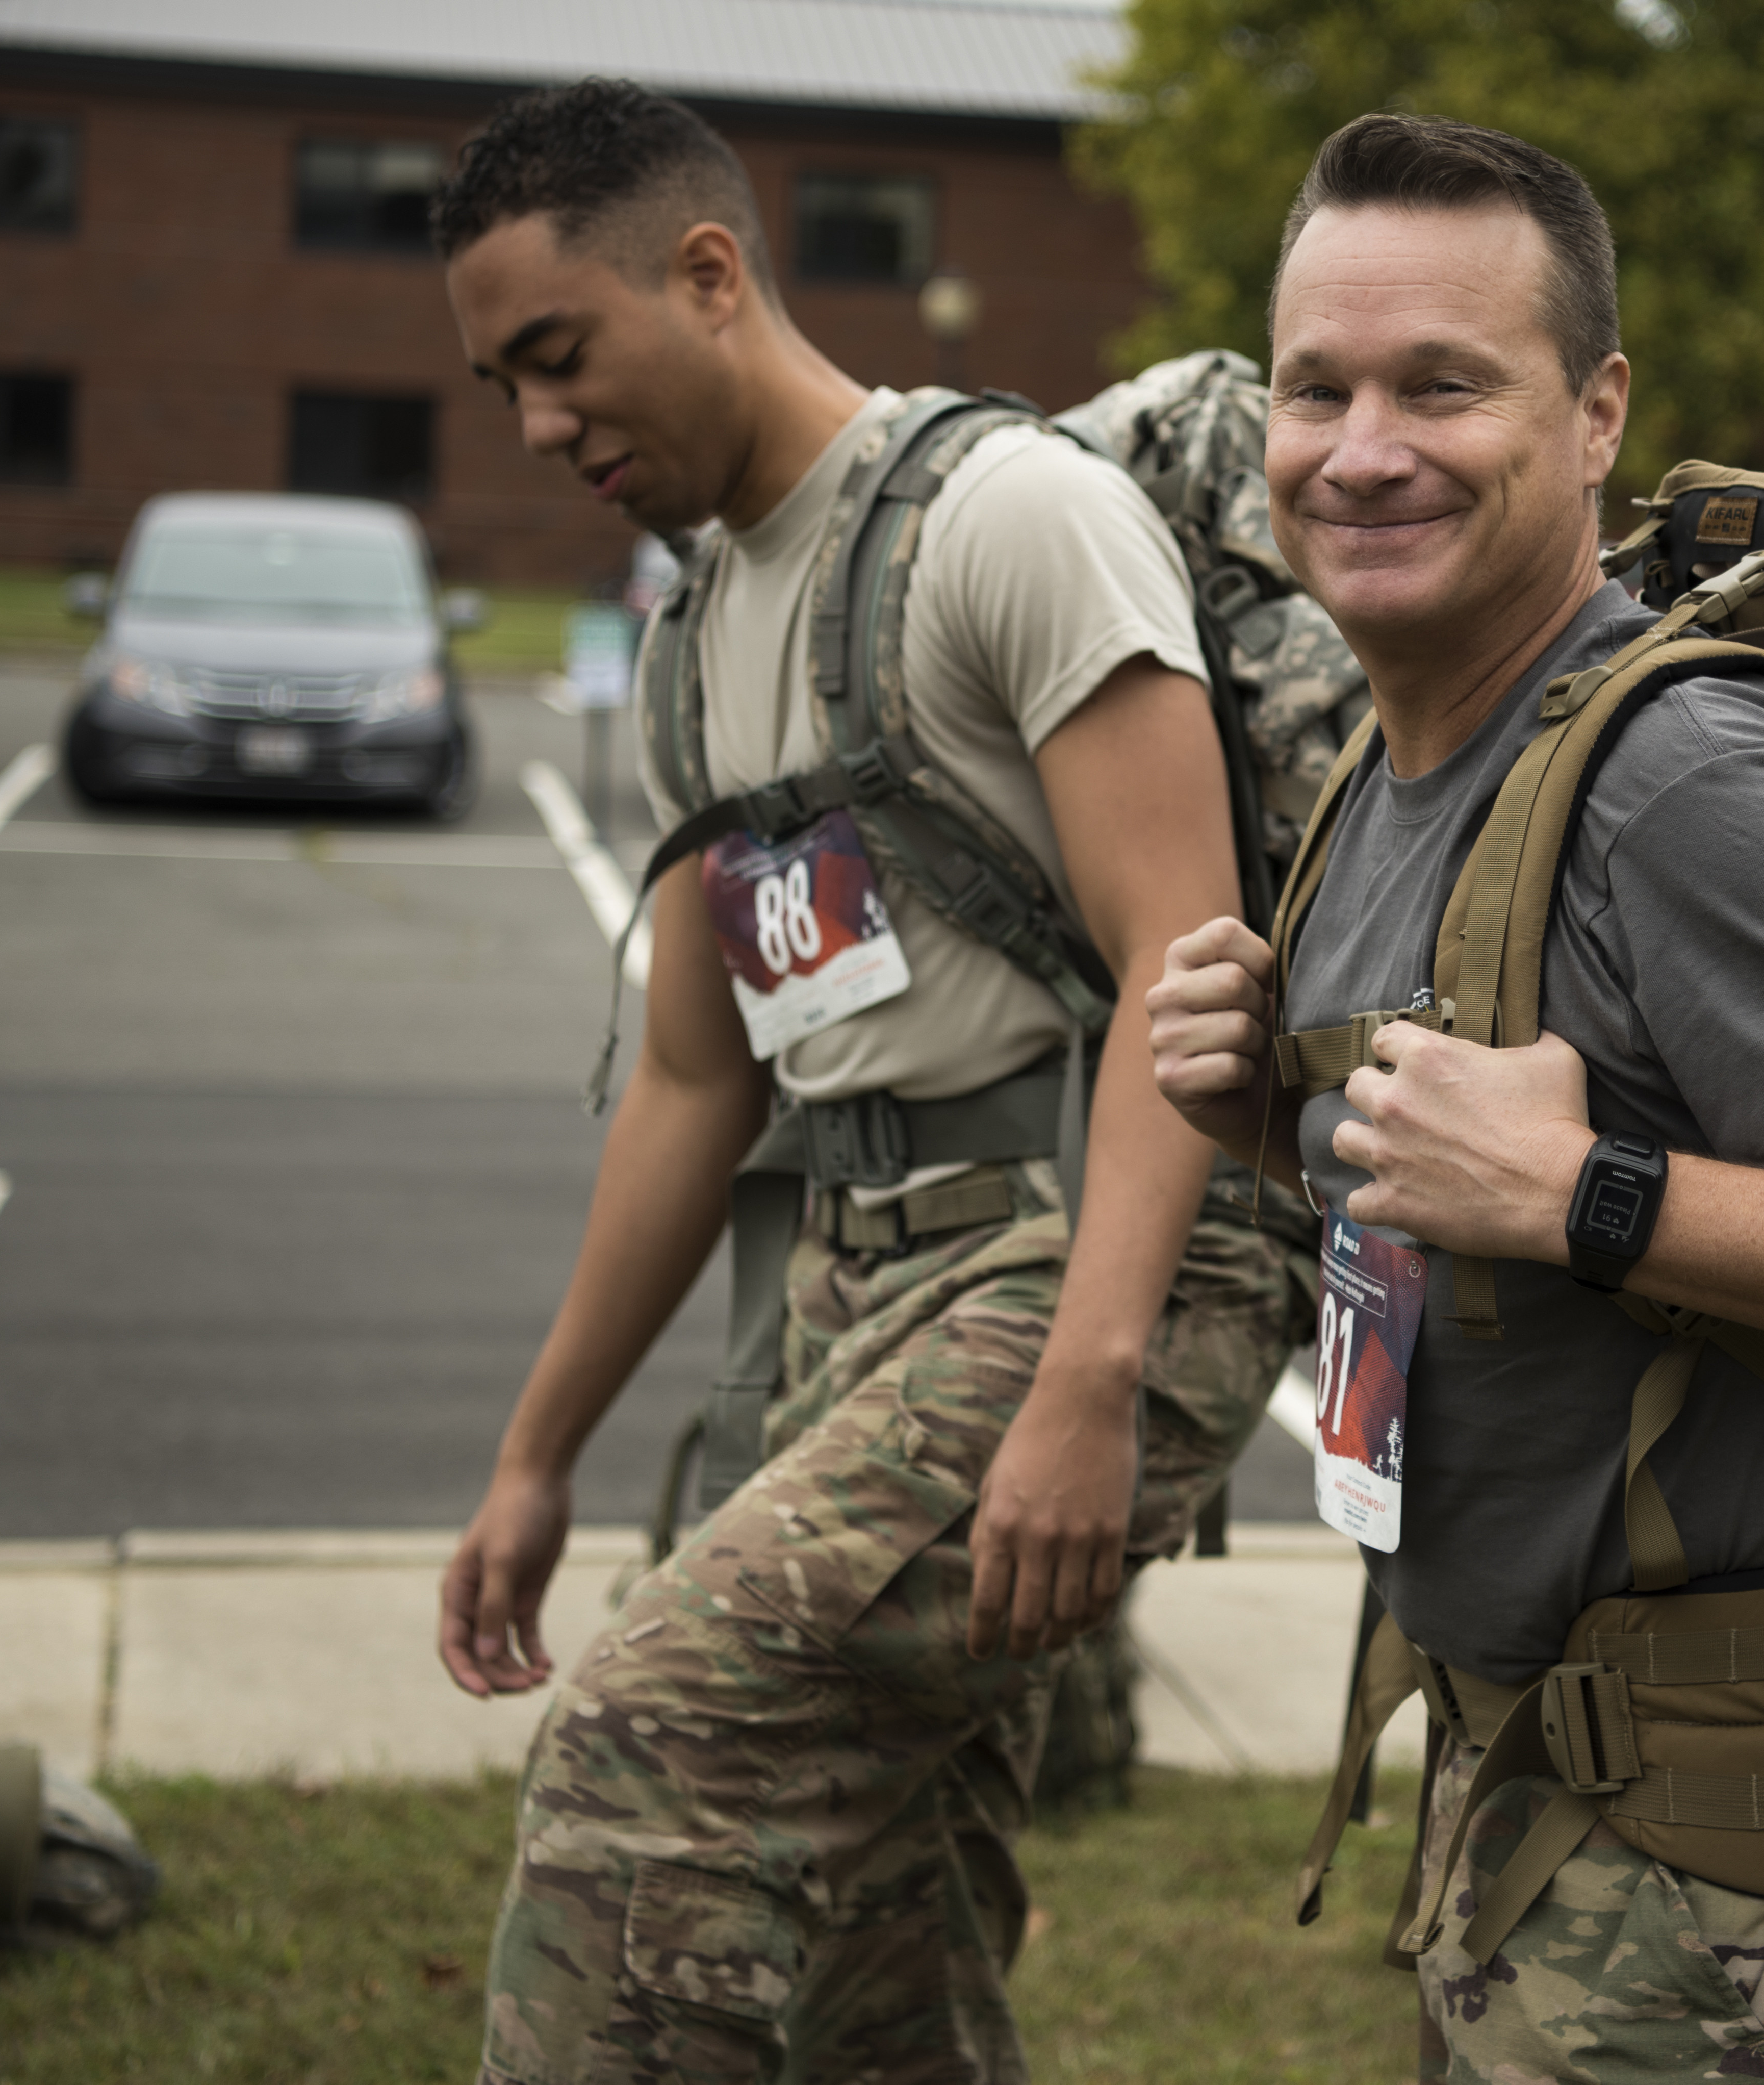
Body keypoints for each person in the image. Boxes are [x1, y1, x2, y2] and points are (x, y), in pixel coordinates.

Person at [1146, 114, 1764, 2081]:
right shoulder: (1397, 751)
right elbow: (1487, 1196)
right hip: (1541, 1794)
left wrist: (1593, 1190)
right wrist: (1280, 1121)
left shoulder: (1689, 782)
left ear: (1597, 416)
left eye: (1448, 383)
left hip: (1726, 1880)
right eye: (1317, 386)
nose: (1363, 448)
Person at [428, 80, 1307, 2084]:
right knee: (876, 1926)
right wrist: (537, 1451)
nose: (537, 425)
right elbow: (689, 1083)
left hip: (1082, 1261)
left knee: (655, 1738)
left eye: (557, 357)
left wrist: (1093, 1383)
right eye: (499, 385)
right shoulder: (688, 643)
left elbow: (1192, 971)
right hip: (861, 1288)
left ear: (709, 272)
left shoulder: (1001, 523)